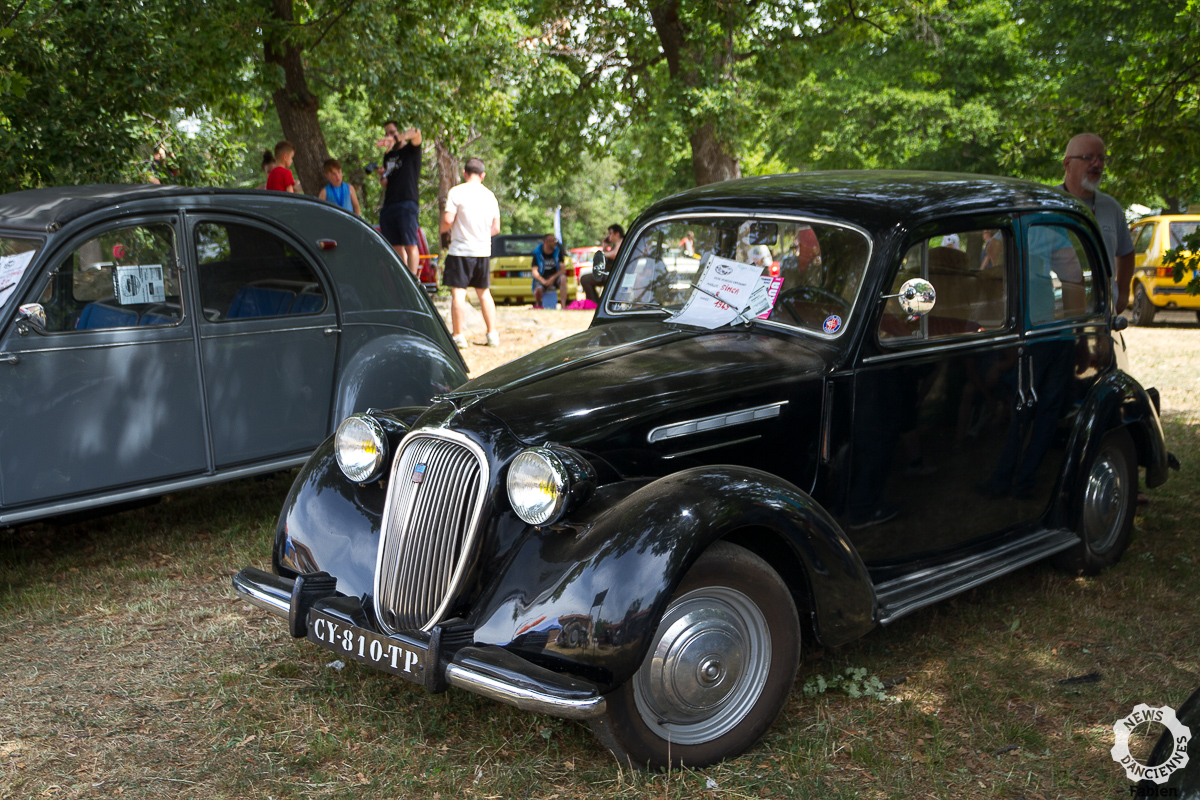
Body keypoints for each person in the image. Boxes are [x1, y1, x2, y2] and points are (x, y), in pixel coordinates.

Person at [1059, 133, 1135, 312]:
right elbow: (998, 246)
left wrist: (1123, 293)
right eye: (1088, 158)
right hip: (1057, 316)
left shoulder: (1111, 207)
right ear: (1067, 163)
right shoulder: (1048, 203)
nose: (1097, 164)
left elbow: (1126, 252)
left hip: (1103, 315)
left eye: (1101, 158)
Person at [440, 157, 500, 348]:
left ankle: (458, 335)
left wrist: (442, 229)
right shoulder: (490, 196)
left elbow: (448, 220)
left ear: (464, 173)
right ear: (483, 175)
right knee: (484, 293)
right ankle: (492, 334)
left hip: (460, 250)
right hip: (482, 250)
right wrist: (481, 236)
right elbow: (496, 228)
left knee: (459, 293)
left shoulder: (457, 192)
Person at [378, 120, 423, 277]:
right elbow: (386, 183)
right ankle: (403, 279)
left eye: (392, 132)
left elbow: (416, 131)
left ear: (399, 132)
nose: (389, 136)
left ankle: (413, 282)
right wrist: (381, 175)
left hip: (407, 202)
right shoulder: (388, 155)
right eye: (387, 133)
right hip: (389, 204)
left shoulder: (412, 149)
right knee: (395, 246)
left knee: (410, 245)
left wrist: (396, 139)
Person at [582, 224, 623, 304]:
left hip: (613, 274)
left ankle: (594, 302)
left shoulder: (621, 242)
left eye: (610, 233)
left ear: (617, 234)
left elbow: (615, 255)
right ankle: (594, 301)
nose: (609, 236)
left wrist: (602, 253)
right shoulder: (614, 245)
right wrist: (604, 247)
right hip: (607, 273)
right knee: (585, 279)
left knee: (585, 279)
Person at [531, 233, 568, 308]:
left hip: (555, 278)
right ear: (546, 242)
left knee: (563, 278)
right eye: (553, 241)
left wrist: (552, 278)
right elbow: (534, 271)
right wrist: (543, 281)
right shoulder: (537, 254)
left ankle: (563, 305)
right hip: (542, 278)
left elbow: (562, 269)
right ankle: (539, 305)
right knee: (538, 290)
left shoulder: (558, 252)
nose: (555, 242)